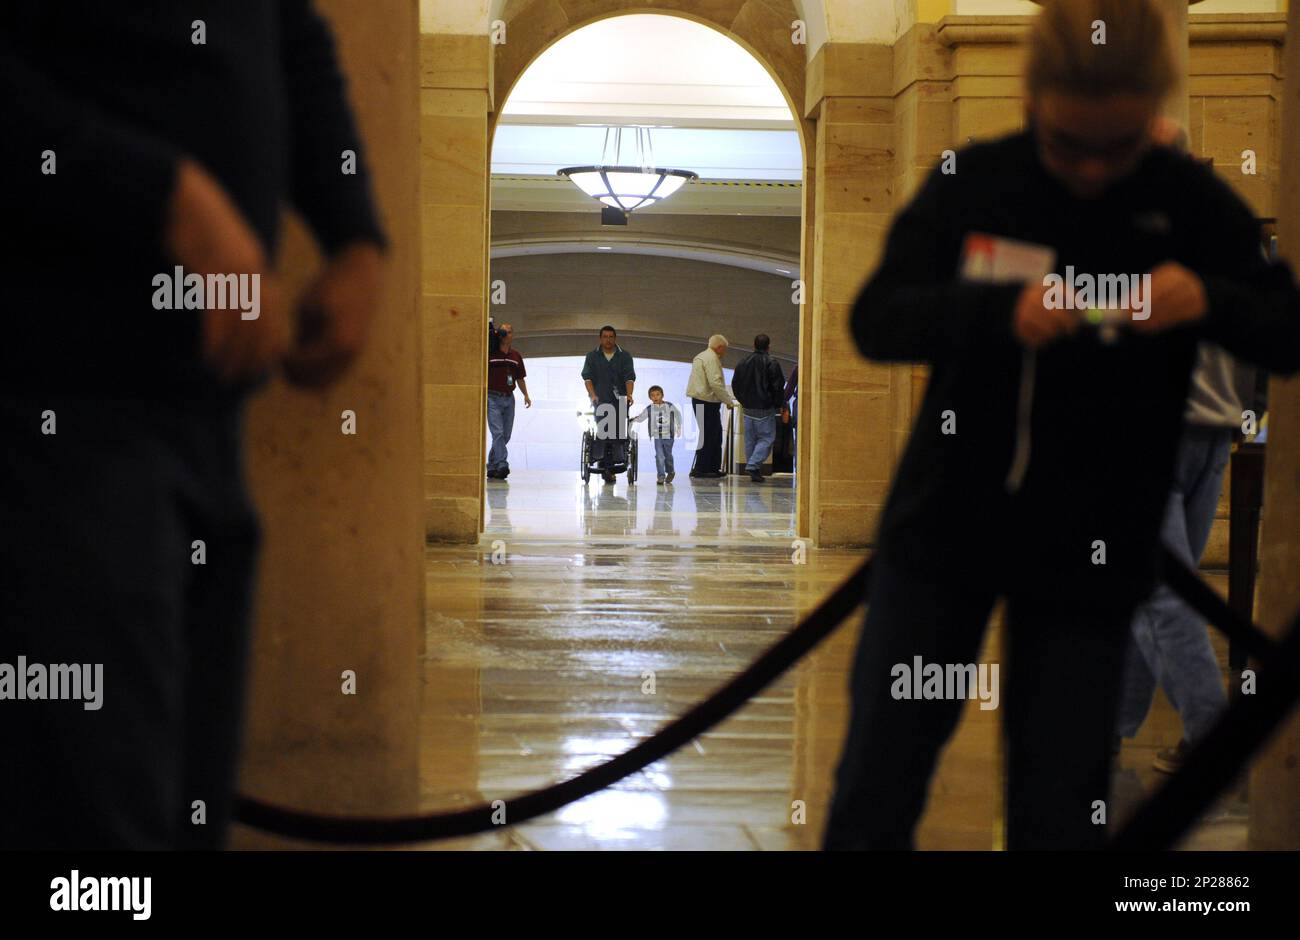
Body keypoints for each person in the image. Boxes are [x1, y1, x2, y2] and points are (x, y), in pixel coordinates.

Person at [824, 0, 1300, 851]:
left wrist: (1212, 297)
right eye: (1067, 145)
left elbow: (1287, 328)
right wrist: (999, 310)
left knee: (1061, 797)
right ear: (1033, 99)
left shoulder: (1184, 201)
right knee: (879, 780)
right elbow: (877, 318)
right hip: (944, 528)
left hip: (1093, 544)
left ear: (1152, 110)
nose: (1088, 170)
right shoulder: (978, 180)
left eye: (1113, 149)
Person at [1, 2, 387, 849]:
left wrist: (354, 232)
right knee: (91, 831)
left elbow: (287, 30)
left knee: (180, 808)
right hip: (52, 403)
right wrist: (159, 194)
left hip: (203, 415)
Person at [1116, 347, 1257, 771]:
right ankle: (1112, 721)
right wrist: (1247, 411)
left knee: (1162, 596)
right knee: (1162, 593)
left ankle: (1211, 731)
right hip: (1214, 425)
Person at [581, 325, 636, 484]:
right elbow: (587, 378)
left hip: (619, 398)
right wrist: (592, 395)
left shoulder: (624, 356)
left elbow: (629, 378)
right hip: (600, 398)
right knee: (602, 430)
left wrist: (630, 394)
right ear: (600, 338)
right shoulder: (592, 356)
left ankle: (612, 463)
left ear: (615, 338)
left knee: (618, 431)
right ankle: (604, 463)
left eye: (611, 336)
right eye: (605, 336)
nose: (608, 340)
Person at [731, 334, 787, 483]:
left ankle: (753, 470)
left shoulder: (743, 363)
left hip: (748, 408)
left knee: (750, 440)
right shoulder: (772, 363)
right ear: (769, 346)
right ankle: (753, 465)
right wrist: (778, 404)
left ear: (754, 345)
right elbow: (778, 386)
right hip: (765, 408)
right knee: (767, 438)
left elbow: (735, 385)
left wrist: (743, 400)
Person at [686, 334, 739, 479]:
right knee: (710, 435)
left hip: (701, 401)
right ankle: (703, 468)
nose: (725, 352)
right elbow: (715, 383)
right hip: (706, 401)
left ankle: (710, 467)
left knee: (711, 434)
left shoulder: (702, 356)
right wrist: (728, 400)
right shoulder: (712, 359)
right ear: (720, 347)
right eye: (725, 349)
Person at [486, 322, 531, 480]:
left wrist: (526, 395)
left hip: (508, 398)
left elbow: (519, 378)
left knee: (505, 435)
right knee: (497, 432)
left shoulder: (515, 356)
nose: (506, 334)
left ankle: (492, 465)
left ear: (513, 335)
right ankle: (502, 463)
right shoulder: (489, 354)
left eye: (509, 331)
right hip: (492, 397)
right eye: (503, 331)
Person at [632, 385, 683, 484]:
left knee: (668, 456)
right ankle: (661, 476)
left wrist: (679, 427)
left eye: (658, 395)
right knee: (659, 456)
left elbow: (677, 415)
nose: (655, 397)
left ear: (662, 395)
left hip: (669, 436)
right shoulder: (650, 408)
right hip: (657, 436)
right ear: (650, 397)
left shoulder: (669, 406)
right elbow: (642, 417)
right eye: (652, 395)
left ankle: (671, 472)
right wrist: (634, 419)